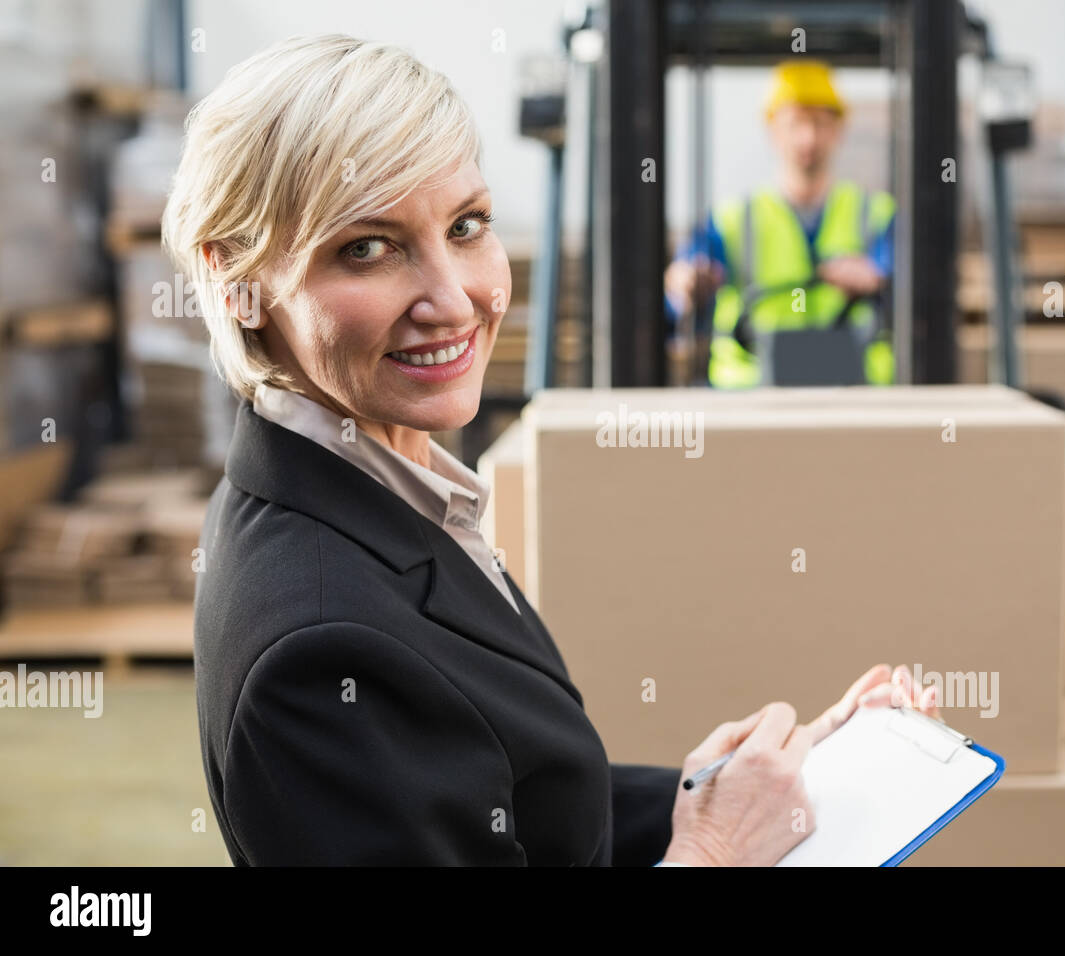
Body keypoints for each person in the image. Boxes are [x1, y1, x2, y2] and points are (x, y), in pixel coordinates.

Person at [164, 35, 939, 867]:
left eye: (467, 226)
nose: (454, 299)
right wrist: (713, 853)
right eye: (367, 247)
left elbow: (518, 800)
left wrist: (764, 787)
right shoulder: (317, 656)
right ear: (236, 280)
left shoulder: (389, 493)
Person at [664, 59, 896, 388]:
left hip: (855, 397)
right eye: (796, 123)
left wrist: (876, 278)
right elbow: (683, 290)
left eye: (820, 123)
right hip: (750, 399)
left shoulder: (877, 214)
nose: (808, 139)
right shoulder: (733, 219)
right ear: (773, 130)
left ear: (838, 130)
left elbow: (909, 282)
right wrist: (685, 284)